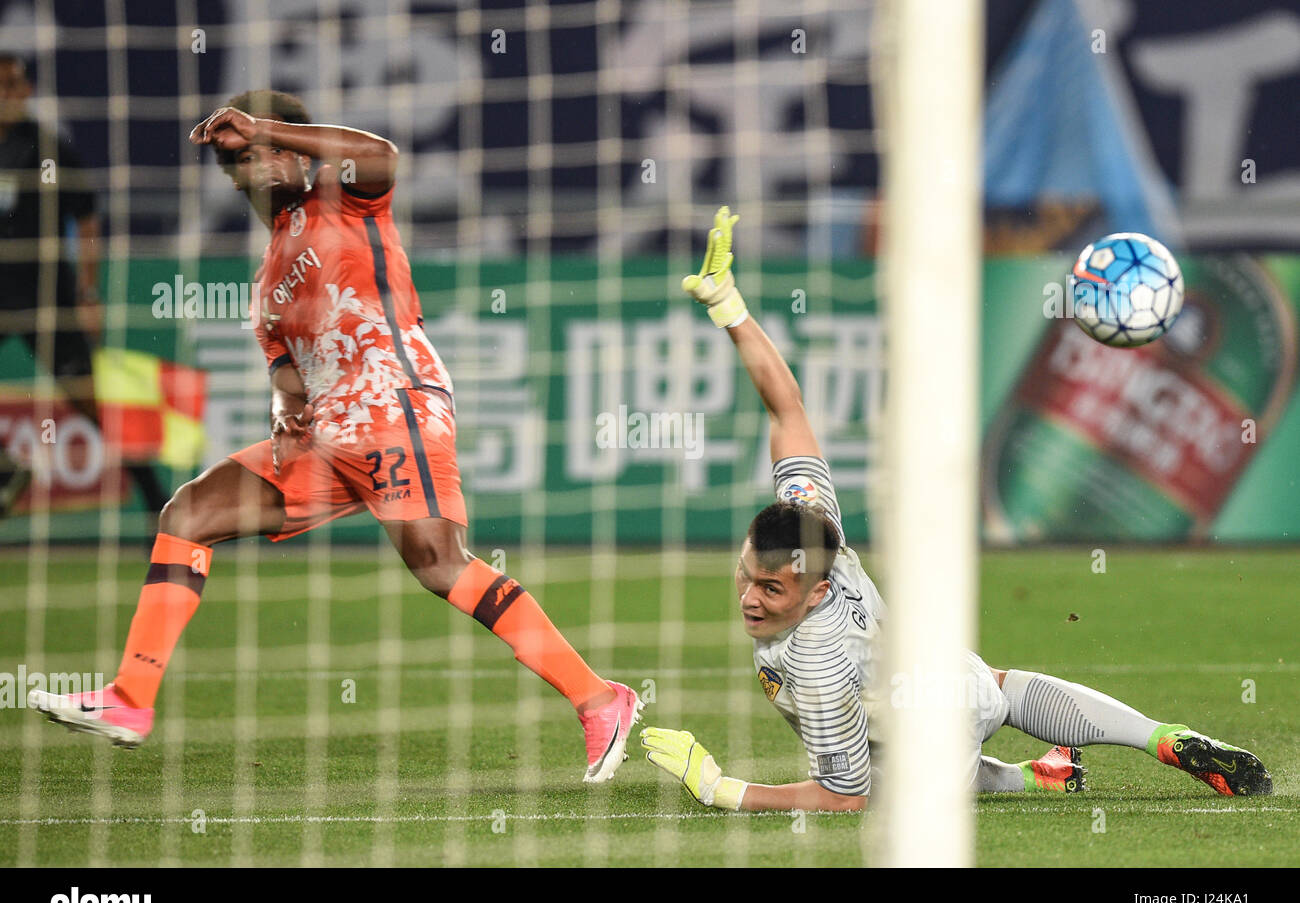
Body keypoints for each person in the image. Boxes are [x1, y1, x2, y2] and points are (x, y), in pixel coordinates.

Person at [28, 90, 642, 783]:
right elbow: (288, 377)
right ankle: (130, 697)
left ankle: (600, 698)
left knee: (439, 564)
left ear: (295, 151)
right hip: (326, 436)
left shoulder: (346, 198)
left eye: (258, 156)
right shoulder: (266, 283)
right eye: (235, 165)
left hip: (394, 403)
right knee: (188, 512)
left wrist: (264, 127)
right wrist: (283, 405)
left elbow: (383, 156)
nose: (245, 175)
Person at [638, 207, 1272, 811]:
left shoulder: (814, 661)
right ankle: (1155, 738)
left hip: (925, 750)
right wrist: (729, 307)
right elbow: (787, 410)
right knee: (992, 686)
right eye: (748, 576)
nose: (750, 597)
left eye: (771, 590)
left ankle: (1016, 781)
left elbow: (843, 795)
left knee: (880, 778)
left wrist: (723, 787)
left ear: (814, 593)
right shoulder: (813, 525)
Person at [0, 52, 166, 517]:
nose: (10, 94)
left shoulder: (46, 147)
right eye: (2, 86)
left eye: (16, 84)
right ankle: (7, 470)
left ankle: (161, 504)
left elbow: (87, 215)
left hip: (46, 296)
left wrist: (88, 291)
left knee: (93, 404)